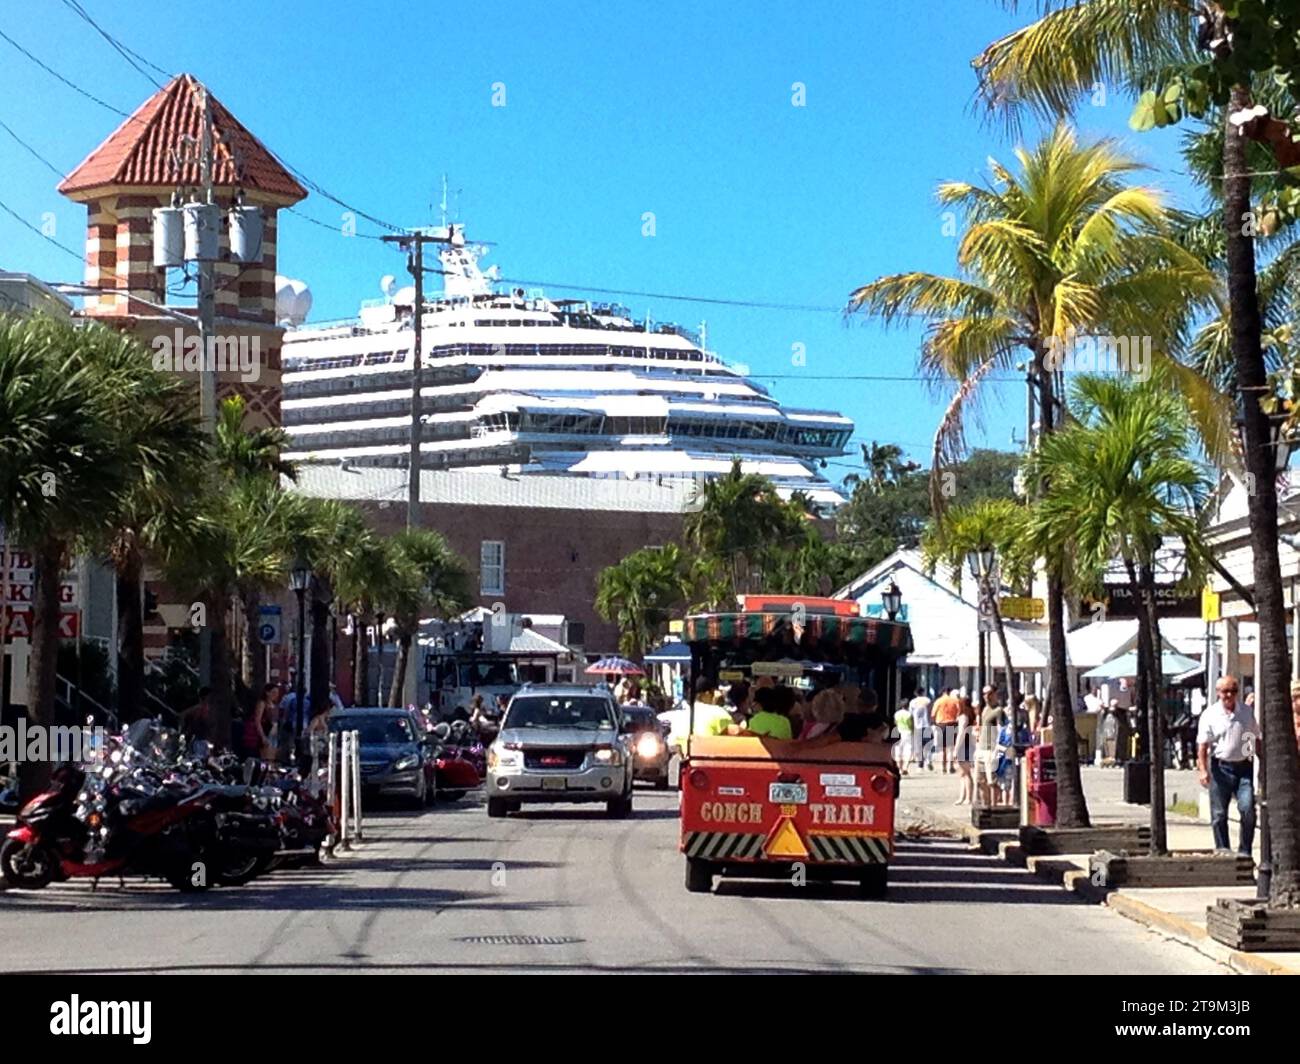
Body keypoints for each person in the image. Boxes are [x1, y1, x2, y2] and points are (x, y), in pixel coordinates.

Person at [1197, 674, 1260, 856]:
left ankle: (1245, 850)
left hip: (1243, 769)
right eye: (1225, 691)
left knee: (1248, 809)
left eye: (1233, 691)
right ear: (1218, 693)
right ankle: (1223, 849)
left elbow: (1254, 738)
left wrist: (1260, 762)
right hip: (1220, 768)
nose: (1229, 695)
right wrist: (1203, 770)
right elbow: (1203, 746)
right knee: (1218, 814)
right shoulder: (1210, 715)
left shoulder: (1246, 713)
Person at [974, 686, 1006, 808]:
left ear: (995, 694)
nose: (986, 696)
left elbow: (1001, 729)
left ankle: (994, 806)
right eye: (984, 694)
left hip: (991, 749)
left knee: (992, 781)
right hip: (981, 748)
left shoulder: (999, 711)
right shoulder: (984, 709)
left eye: (989, 693)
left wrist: (998, 749)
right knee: (980, 780)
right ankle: (985, 805)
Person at [953, 697, 976, 805]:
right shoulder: (970, 716)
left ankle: (968, 797)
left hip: (963, 746)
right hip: (968, 745)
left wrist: (956, 748)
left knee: (965, 773)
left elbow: (961, 733)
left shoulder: (963, 717)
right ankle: (962, 797)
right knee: (962, 773)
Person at [932, 688, 960, 773]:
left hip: (941, 725)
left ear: (943, 692)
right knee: (950, 747)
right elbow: (959, 712)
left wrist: (934, 723)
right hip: (952, 723)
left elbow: (933, 714)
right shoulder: (954, 701)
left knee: (942, 748)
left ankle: (943, 767)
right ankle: (950, 766)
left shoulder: (938, 701)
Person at [909, 690, 934, 771]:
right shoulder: (928, 700)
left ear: (916, 694)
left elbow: (911, 714)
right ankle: (929, 761)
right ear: (923, 692)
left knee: (919, 746)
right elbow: (931, 712)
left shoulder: (913, 702)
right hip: (927, 725)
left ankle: (920, 764)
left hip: (917, 726)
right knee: (928, 745)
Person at [893, 699, 915, 775]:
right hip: (908, 732)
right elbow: (911, 725)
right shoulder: (909, 714)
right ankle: (905, 767)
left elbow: (895, 723)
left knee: (898, 750)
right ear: (907, 706)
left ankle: (900, 768)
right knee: (908, 750)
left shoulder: (896, 714)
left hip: (899, 732)